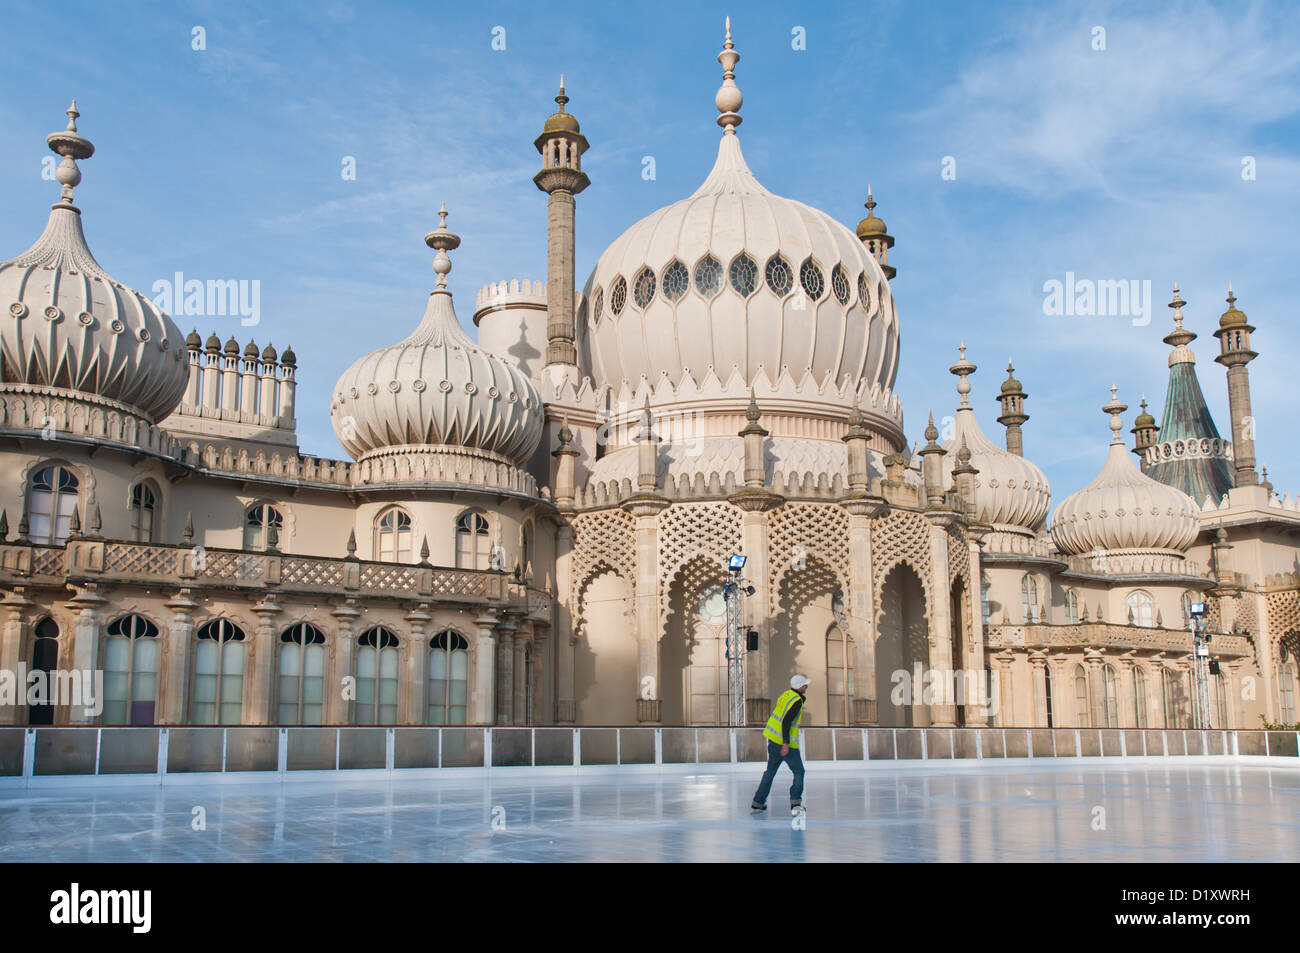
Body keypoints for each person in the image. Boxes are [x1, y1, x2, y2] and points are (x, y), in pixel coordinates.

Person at [751, 674, 809, 815]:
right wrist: (785, 744)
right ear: (800, 687)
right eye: (805, 684)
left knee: (770, 772)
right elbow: (786, 721)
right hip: (785, 745)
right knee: (799, 772)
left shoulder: (786, 695)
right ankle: (796, 805)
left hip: (772, 740)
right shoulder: (796, 701)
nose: (807, 686)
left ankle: (758, 803)